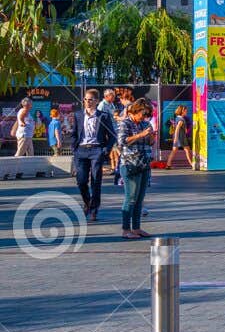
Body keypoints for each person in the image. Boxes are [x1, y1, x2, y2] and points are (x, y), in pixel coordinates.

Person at [61, 90, 114, 223]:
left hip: (97, 150)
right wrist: (74, 148)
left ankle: (94, 209)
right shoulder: (78, 115)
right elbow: (74, 133)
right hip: (81, 150)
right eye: (85, 99)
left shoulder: (104, 116)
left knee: (96, 180)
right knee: (81, 181)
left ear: (96, 101)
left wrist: (105, 150)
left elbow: (112, 135)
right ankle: (87, 202)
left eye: (90, 99)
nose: (87, 102)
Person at [115, 97, 156, 240]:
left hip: (144, 164)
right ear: (136, 111)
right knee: (130, 198)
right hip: (130, 164)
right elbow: (122, 142)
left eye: (147, 116)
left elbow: (150, 143)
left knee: (140, 198)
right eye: (143, 115)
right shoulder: (124, 123)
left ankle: (137, 228)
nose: (145, 118)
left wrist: (151, 136)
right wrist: (140, 135)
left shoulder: (145, 124)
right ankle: (126, 229)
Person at [165, 104, 193, 169]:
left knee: (174, 150)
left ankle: (168, 165)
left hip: (178, 136)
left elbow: (178, 127)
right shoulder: (181, 119)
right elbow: (177, 128)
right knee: (187, 150)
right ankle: (192, 164)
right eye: (186, 111)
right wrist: (176, 138)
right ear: (182, 111)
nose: (186, 112)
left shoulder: (177, 118)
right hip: (181, 137)